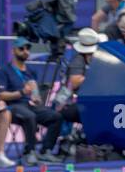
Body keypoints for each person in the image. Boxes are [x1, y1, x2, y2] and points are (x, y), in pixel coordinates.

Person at [33, 27, 102, 163]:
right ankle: (75, 141)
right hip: (64, 105)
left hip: (77, 103)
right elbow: (75, 81)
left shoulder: (87, 61)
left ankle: (80, 141)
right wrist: (95, 75)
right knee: (94, 115)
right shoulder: (78, 61)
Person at [0, 38, 42, 166]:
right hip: (12, 106)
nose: (25, 51)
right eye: (21, 48)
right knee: (30, 116)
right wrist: (21, 92)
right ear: (13, 51)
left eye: (27, 49)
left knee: (55, 116)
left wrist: (36, 98)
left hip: (29, 105)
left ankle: (46, 151)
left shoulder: (32, 71)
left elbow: (35, 95)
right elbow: (0, 95)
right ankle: (30, 152)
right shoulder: (3, 71)